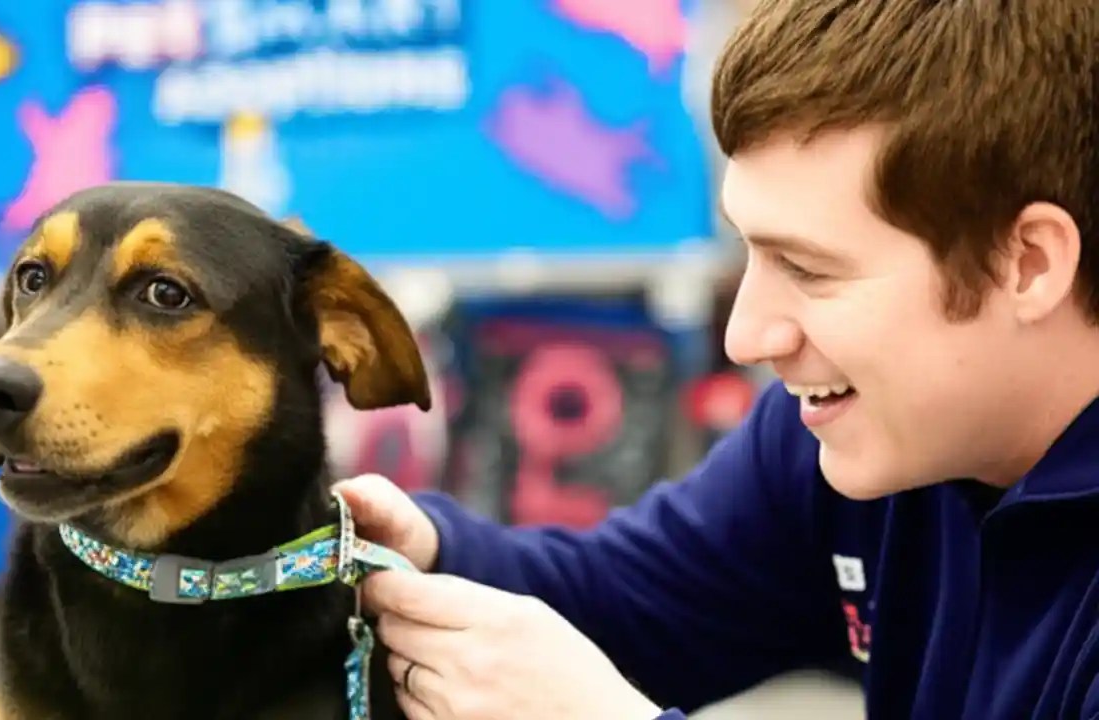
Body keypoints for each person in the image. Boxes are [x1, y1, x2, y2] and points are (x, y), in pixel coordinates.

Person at [335, 1, 1099, 718]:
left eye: (808, 270)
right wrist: (419, 550)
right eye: (749, 254)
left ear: (1027, 263)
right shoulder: (851, 436)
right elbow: (635, 603)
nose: (747, 335)